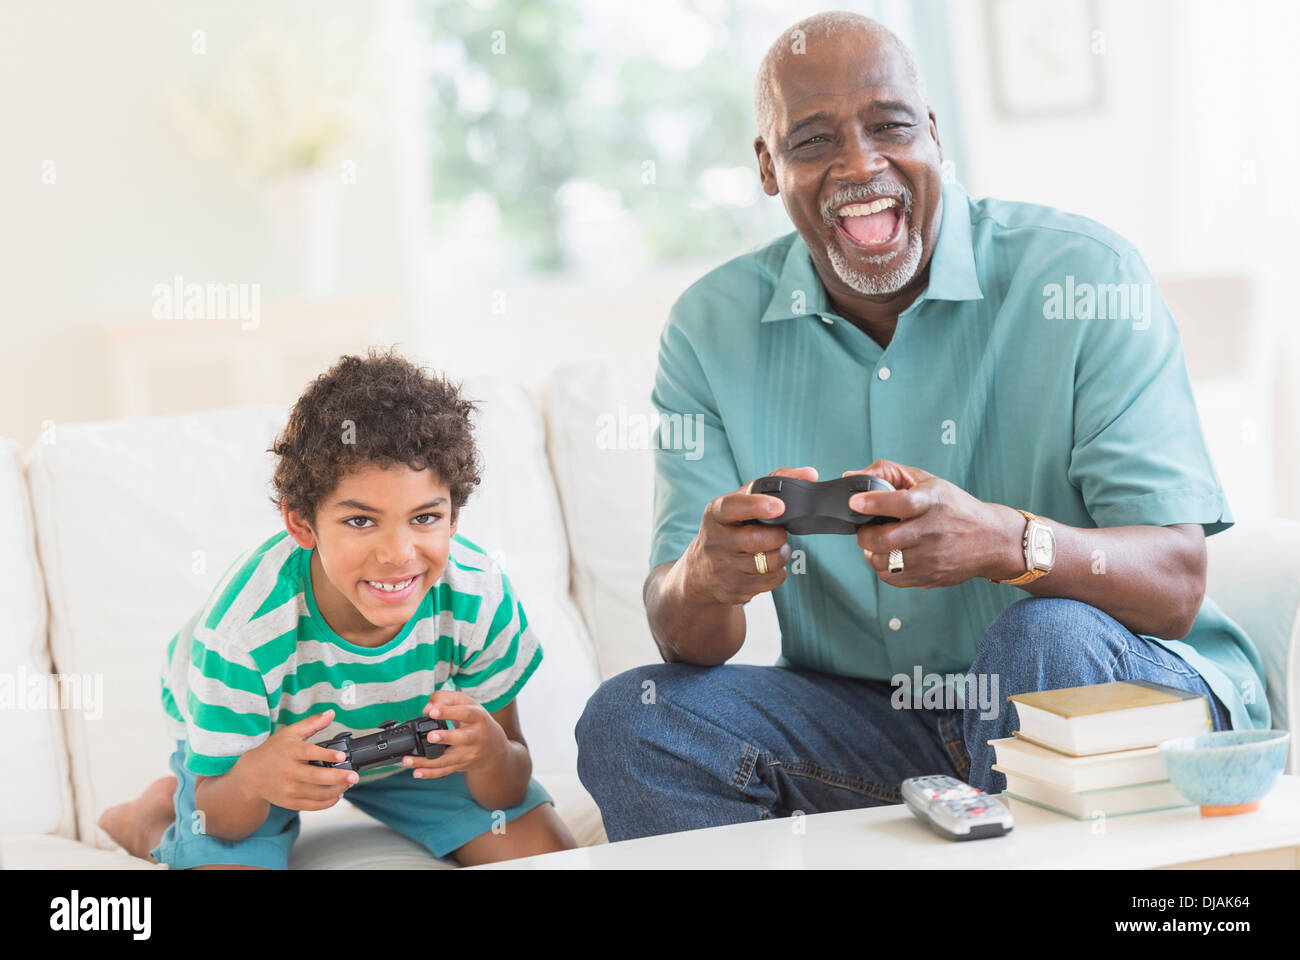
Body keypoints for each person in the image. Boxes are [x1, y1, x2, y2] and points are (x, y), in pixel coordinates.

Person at [575, 11, 1270, 842]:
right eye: (812, 141)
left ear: (934, 134)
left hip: (1109, 698)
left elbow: (1178, 580)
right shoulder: (709, 327)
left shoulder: (1083, 275)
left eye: (889, 127)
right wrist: (708, 576)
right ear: (768, 166)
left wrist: (1007, 543)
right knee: (633, 721)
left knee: (1043, 636)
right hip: (880, 722)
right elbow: (683, 633)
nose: (860, 165)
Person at [99, 348, 576, 867]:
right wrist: (256, 777)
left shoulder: (477, 595)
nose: (397, 554)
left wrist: (491, 755)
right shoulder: (242, 633)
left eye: (424, 517)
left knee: (550, 857)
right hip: (253, 763)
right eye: (360, 521)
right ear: (303, 523)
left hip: (404, 747)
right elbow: (222, 815)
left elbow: (505, 786)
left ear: (454, 516)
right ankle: (150, 815)